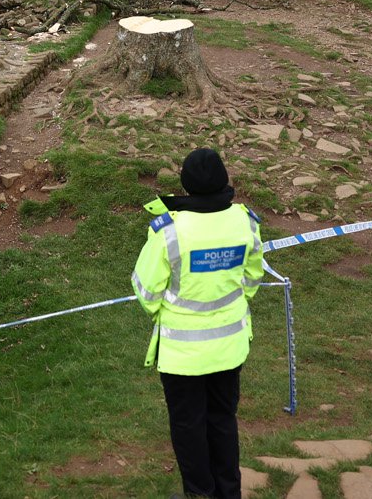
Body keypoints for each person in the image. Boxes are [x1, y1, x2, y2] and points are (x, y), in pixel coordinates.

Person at [131, 147, 265, 499]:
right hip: (230, 348)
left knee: (189, 427)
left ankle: (199, 493)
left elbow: (146, 292)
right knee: (222, 420)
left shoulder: (168, 231)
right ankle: (228, 491)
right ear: (224, 180)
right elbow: (252, 278)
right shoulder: (246, 222)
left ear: (185, 186)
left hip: (182, 356)